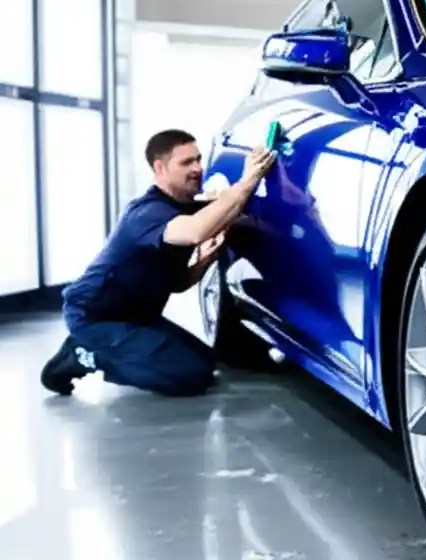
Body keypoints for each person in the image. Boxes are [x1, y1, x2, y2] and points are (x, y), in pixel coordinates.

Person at [40, 129, 275, 396]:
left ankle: (103, 346)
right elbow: (195, 230)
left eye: (198, 159)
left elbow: (177, 283)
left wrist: (205, 259)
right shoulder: (146, 212)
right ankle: (82, 353)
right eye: (186, 162)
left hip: (138, 317)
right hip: (95, 317)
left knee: (205, 363)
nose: (198, 168)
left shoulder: (184, 208)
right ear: (160, 168)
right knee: (188, 376)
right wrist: (248, 180)